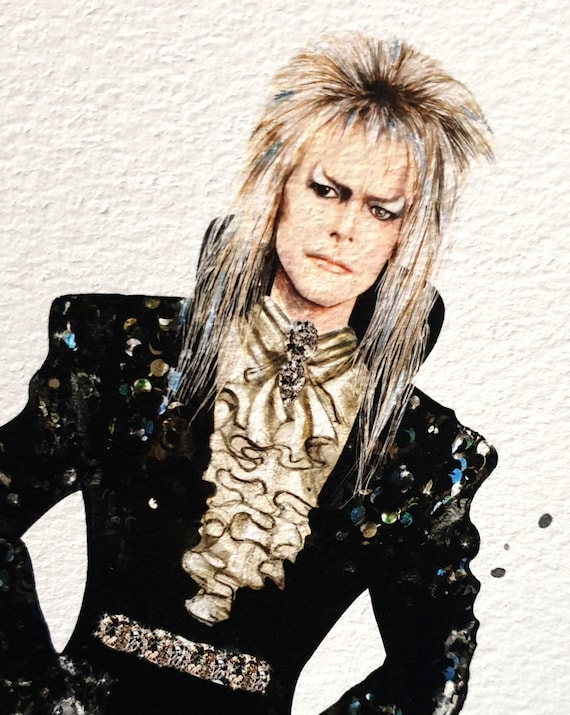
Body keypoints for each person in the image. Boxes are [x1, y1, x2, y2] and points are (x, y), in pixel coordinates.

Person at [0, 34, 497, 714]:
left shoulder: (426, 454)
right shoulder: (118, 351)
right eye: (326, 190)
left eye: (382, 209)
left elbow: (431, 669)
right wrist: (34, 694)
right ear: (278, 186)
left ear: (405, 236)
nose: (346, 229)